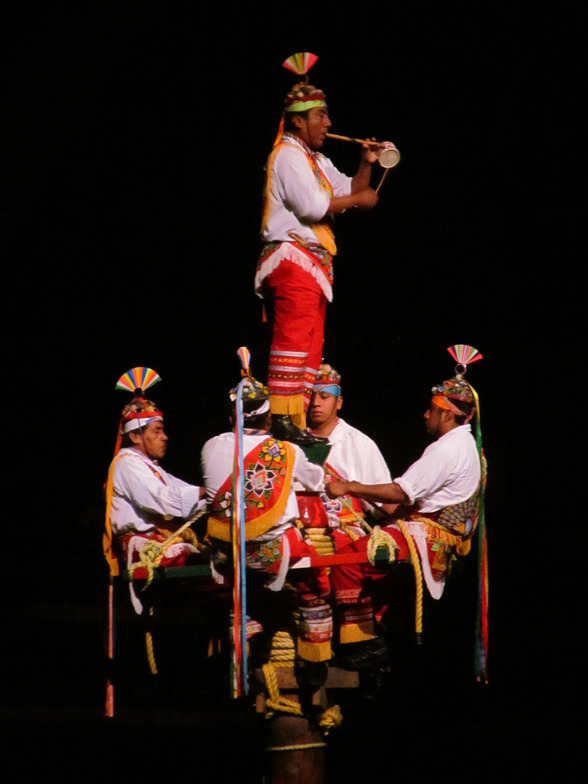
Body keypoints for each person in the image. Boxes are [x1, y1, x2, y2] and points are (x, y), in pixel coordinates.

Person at [324, 357, 486, 672]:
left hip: (429, 535)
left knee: (348, 558)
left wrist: (348, 486)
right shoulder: (467, 446)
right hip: (441, 537)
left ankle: (366, 643)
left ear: (448, 414)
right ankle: (378, 634)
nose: (426, 414)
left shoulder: (446, 450)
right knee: (374, 566)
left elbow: (402, 492)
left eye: (432, 409)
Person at [254, 52, 383, 447]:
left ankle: (294, 419)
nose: (328, 122)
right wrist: (359, 202)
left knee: (310, 344)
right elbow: (314, 206)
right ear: (298, 120)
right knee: (293, 338)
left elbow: (348, 190)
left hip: (313, 265)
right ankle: (281, 419)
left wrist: (368, 163)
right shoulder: (288, 156)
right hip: (292, 257)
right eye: (320, 115)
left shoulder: (315, 159)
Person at [201, 350, 334, 667]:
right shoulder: (286, 450)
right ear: (269, 417)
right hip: (270, 552)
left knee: (236, 576)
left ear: (234, 416)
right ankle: (315, 658)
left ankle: (245, 624)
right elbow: (316, 481)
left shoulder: (210, 446)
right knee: (315, 578)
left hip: (226, 555)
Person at [103, 367, 210, 603]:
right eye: (157, 431)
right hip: (144, 547)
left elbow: (181, 492)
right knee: (209, 569)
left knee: (216, 560)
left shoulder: (151, 467)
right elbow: (163, 499)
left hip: (159, 542)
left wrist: (216, 495)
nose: (165, 436)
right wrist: (207, 492)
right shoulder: (125, 464)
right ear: (135, 436)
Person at [302, 361, 395, 547]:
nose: (315, 403)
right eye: (311, 396)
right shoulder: (293, 442)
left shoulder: (360, 444)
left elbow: (386, 505)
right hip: (301, 533)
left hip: (345, 536)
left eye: (324, 396)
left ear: (339, 402)